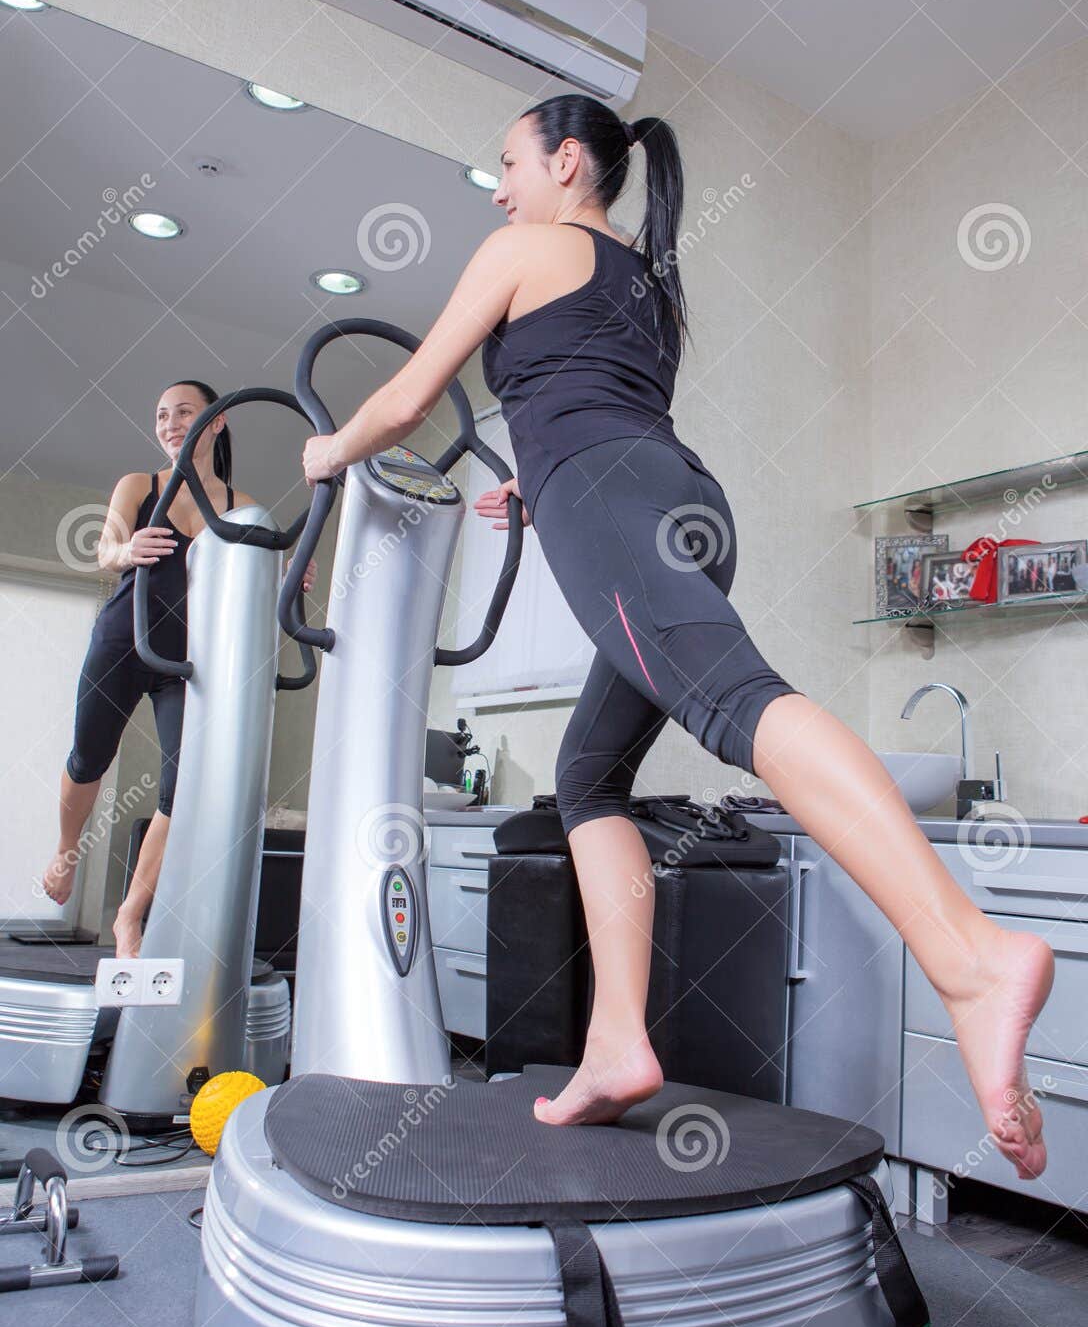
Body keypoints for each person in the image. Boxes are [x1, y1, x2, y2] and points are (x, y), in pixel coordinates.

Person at [302, 95, 1053, 1181]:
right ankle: (617, 1041)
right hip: (675, 498)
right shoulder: (646, 282)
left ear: (567, 161)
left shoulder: (522, 248)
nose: (499, 189)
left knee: (737, 704)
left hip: (613, 497)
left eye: (508, 164)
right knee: (586, 778)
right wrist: (546, 486)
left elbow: (411, 397)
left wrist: (329, 451)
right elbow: (598, 401)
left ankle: (971, 956)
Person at [42, 380, 315, 956]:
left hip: (187, 660)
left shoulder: (242, 505)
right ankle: (66, 850)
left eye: (184, 413)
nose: (169, 424)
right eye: (162, 415)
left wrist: (289, 576)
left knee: (181, 788)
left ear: (216, 422)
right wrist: (126, 550)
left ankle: (129, 916)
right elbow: (106, 550)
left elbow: (256, 584)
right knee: (88, 757)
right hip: (123, 639)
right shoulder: (139, 486)